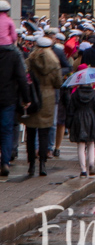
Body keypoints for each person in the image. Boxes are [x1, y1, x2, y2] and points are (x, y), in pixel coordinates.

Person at [24, 36, 62, 176]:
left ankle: (31, 165)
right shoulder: (54, 62)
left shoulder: (30, 60)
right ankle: (43, 165)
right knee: (44, 132)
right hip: (47, 98)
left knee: (31, 132)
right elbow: (58, 83)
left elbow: (24, 76)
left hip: (32, 97)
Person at [0, 42, 29, 176]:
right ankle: (5, 161)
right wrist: (26, 97)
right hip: (8, 98)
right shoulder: (14, 55)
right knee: (7, 131)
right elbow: (22, 78)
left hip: (8, 98)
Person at [66, 78, 95, 177]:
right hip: (91, 119)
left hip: (78, 119)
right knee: (91, 143)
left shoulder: (75, 95)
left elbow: (70, 110)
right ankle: (91, 164)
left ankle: (83, 170)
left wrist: (68, 124)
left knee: (81, 144)